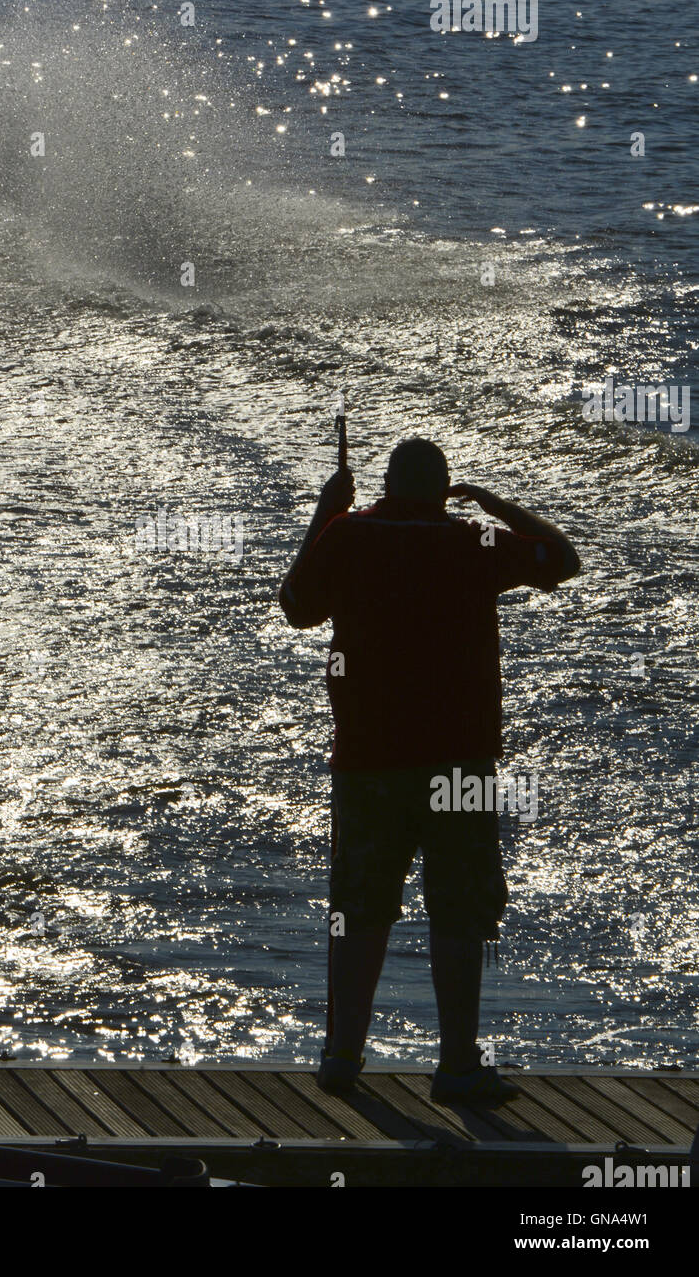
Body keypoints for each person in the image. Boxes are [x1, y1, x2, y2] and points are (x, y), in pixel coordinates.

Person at [278, 437, 580, 1107]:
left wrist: (327, 510)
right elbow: (563, 560)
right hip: (459, 759)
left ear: (384, 485)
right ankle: (456, 1065)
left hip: (366, 758)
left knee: (358, 908)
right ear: (443, 490)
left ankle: (341, 1054)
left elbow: (296, 604)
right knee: (459, 908)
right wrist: (498, 504)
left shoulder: (349, 536)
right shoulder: (470, 543)